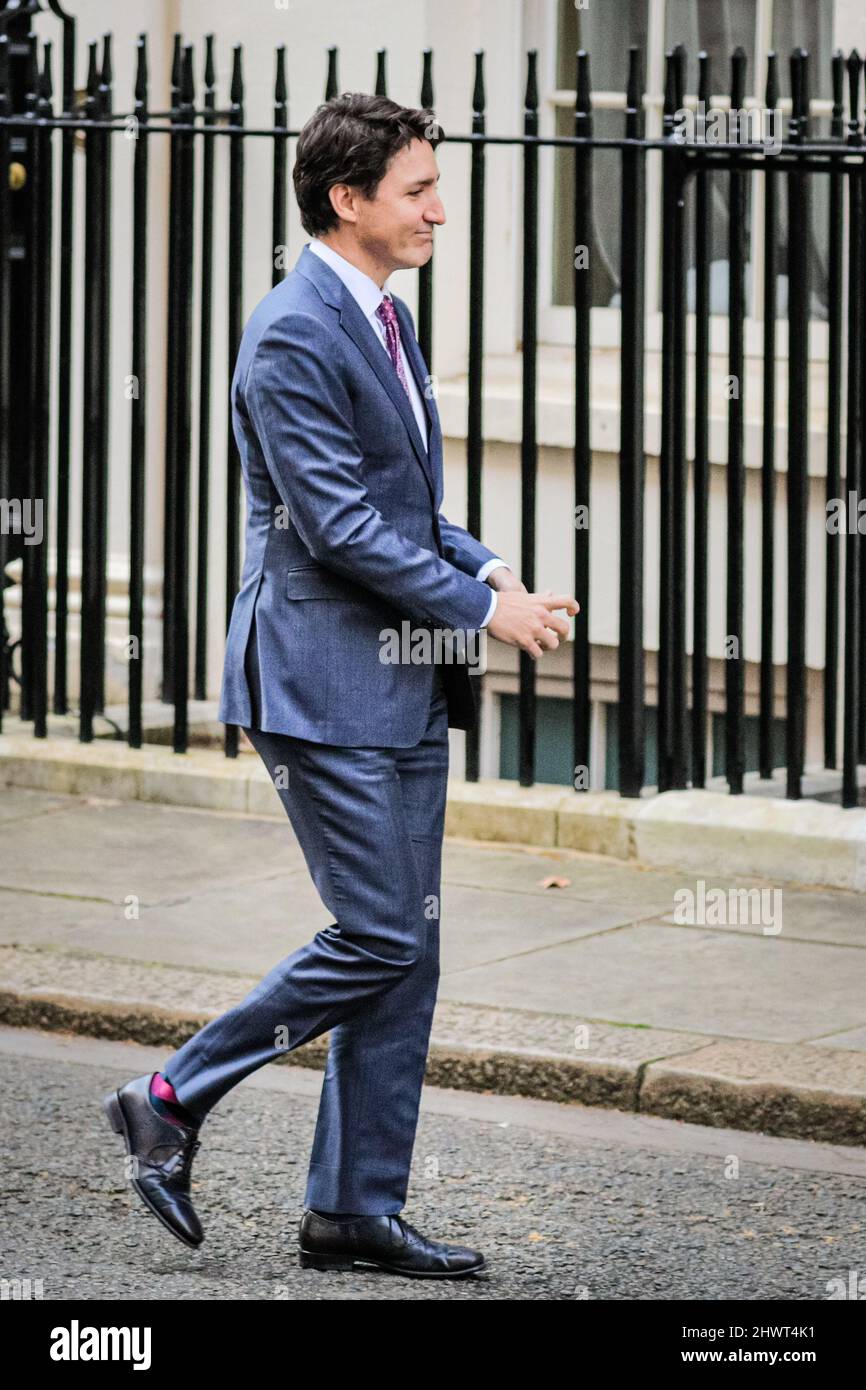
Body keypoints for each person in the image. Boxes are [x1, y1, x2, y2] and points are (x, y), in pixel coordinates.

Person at [103, 91, 578, 1280]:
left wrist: (484, 562)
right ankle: (168, 1092)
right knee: (373, 931)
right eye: (416, 190)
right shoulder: (291, 332)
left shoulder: (381, 315)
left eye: (434, 185)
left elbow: (401, 501)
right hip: (319, 680)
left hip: (401, 686)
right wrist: (483, 611)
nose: (437, 210)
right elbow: (340, 526)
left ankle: (351, 1209)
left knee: (404, 951)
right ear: (346, 198)